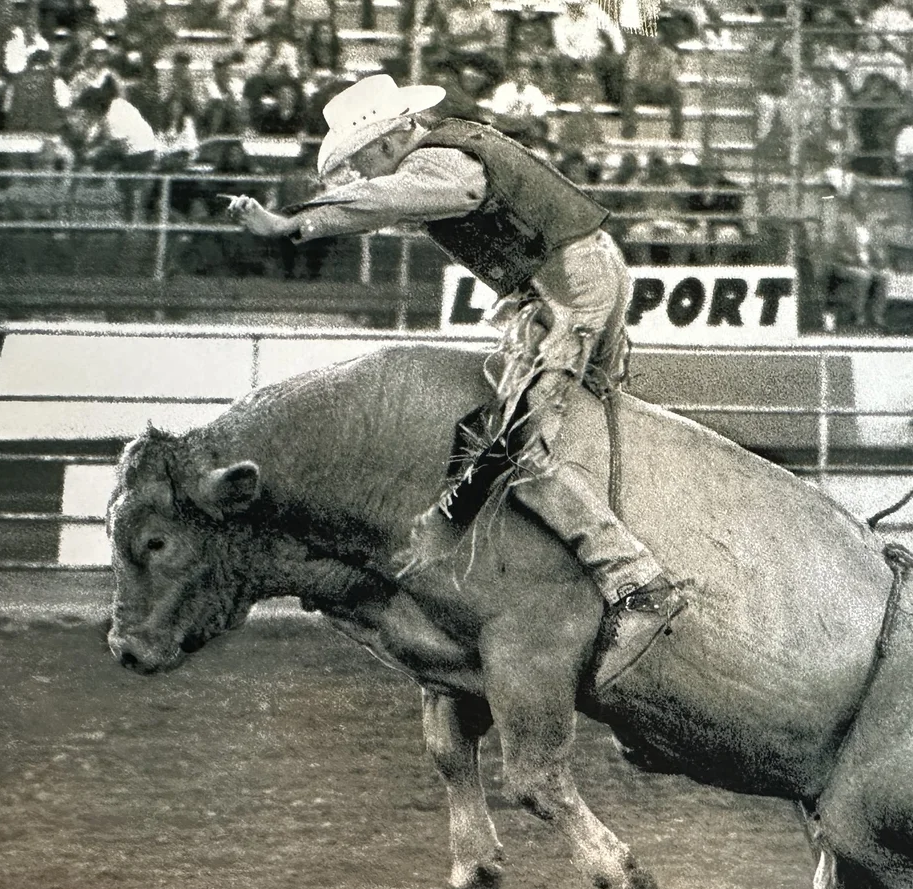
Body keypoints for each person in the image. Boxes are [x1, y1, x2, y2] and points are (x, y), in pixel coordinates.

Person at [224, 73, 688, 688]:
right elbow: (393, 196)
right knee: (564, 422)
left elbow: (387, 199)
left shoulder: (440, 162)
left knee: (524, 449)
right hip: (572, 281)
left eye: (363, 159)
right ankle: (632, 548)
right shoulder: (459, 146)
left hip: (569, 289)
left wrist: (292, 225)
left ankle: (636, 584)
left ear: (389, 139)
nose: (364, 173)